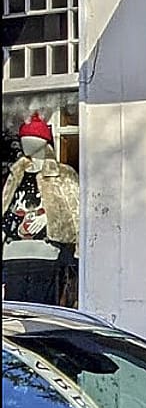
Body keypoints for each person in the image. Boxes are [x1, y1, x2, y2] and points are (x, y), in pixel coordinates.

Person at [1, 113, 79, 304]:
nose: (25, 142)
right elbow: (6, 208)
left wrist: (49, 219)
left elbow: (76, 211)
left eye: (32, 138)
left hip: (46, 254)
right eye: (23, 138)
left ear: (44, 141)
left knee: (42, 307)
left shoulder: (63, 174)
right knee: (15, 311)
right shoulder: (15, 174)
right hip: (12, 254)